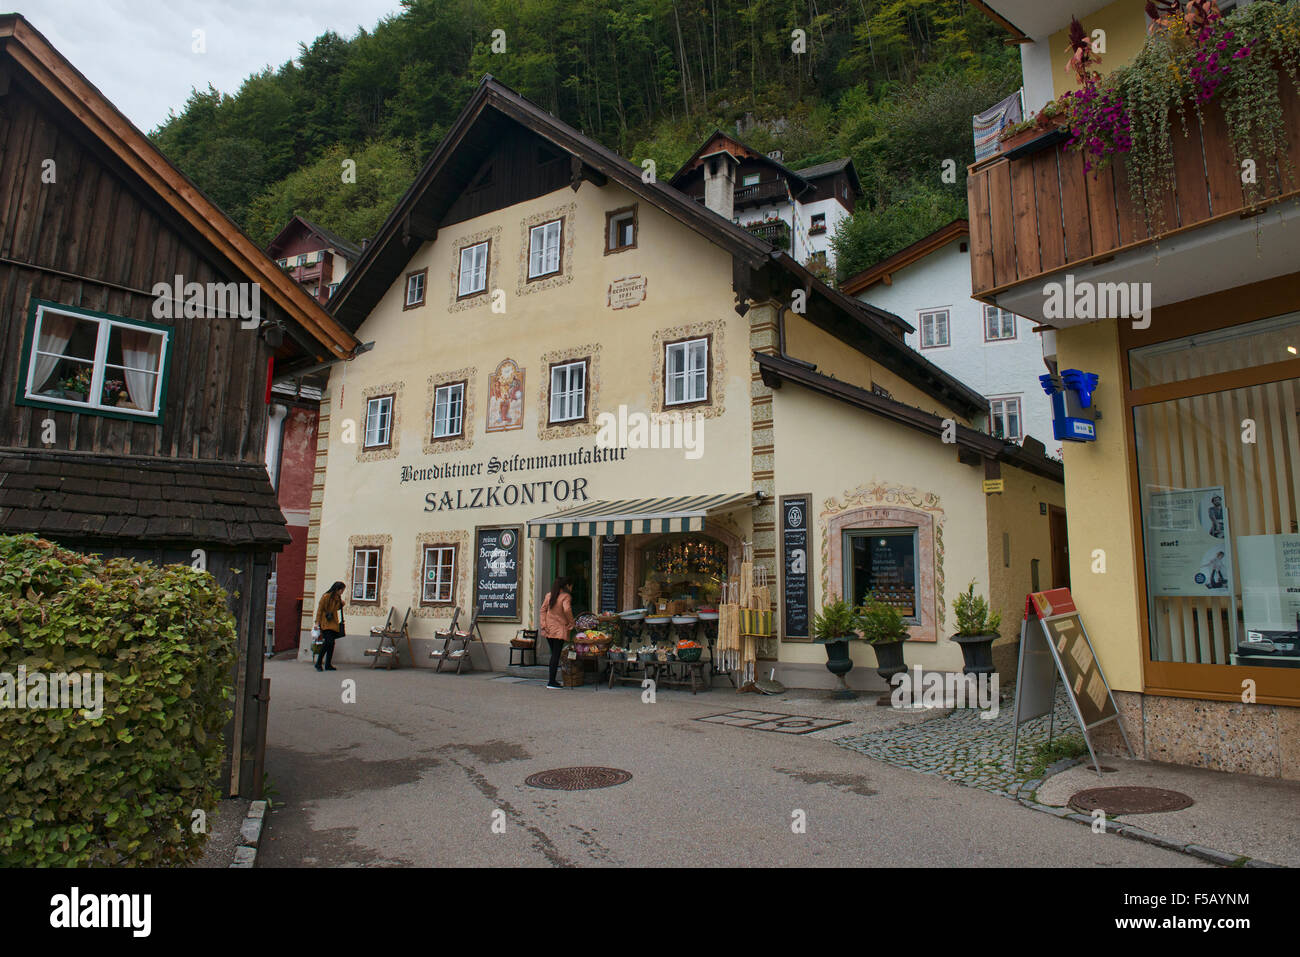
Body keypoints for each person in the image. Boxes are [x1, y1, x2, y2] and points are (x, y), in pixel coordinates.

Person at [540, 576, 575, 689]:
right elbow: (567, 609)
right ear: (567, 586)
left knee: (553, 654)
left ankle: (552, 680)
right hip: (560, 629)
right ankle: (551, 681)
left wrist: (543, 624)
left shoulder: (549, 595)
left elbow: (543, 610)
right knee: (556, 654)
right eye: (571, 585)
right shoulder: (566, 596)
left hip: (549, 629)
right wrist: (571, 622)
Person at [314, 581, 347, 671]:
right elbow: (320, 610)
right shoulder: (326, 597)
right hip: (326, 623)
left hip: (333, 623)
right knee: (328, 643)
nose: (342, 592)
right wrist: (317, 622)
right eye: (342, 590)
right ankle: (319, 663)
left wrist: (341, 604)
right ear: (337, 589)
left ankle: (328, 664)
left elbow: (335, 609)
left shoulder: (337, 598)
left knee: (331, 644)